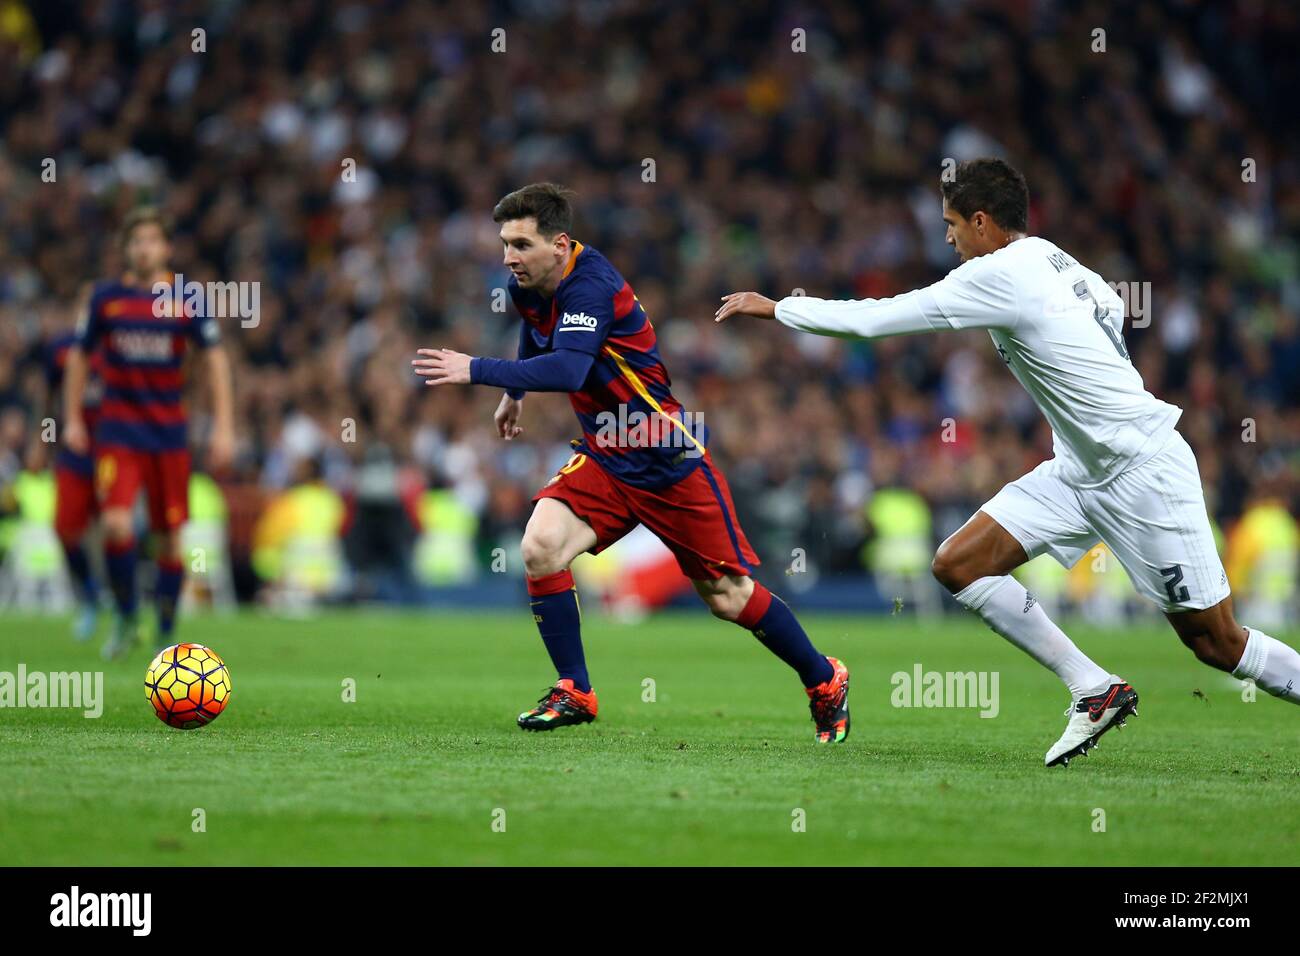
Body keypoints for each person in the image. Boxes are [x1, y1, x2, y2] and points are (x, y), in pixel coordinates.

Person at [717, 158, 1300, 766]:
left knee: (1216, 644)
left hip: (1142, 470)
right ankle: (1093, 689)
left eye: (951, 225)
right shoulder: (1063, 262)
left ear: (982, 221)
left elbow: (878, 319)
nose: (947, 238)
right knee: (958, 564)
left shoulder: (998, 275)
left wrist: (780, 308)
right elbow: (1109, 329)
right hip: (1078, 471)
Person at [413, 183, 849, 742]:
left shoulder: (591, 287)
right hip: (606, 451)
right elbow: (533, 329)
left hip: (664, 452)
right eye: (504, 243)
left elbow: (569, 369)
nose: (508, 257)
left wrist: (478, 370)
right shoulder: (528, 282)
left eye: (520, 244)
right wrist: (514, 394)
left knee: (727, 597)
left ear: (560, 244)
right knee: (540, 547)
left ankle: (823, 678)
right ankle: (576, 689)